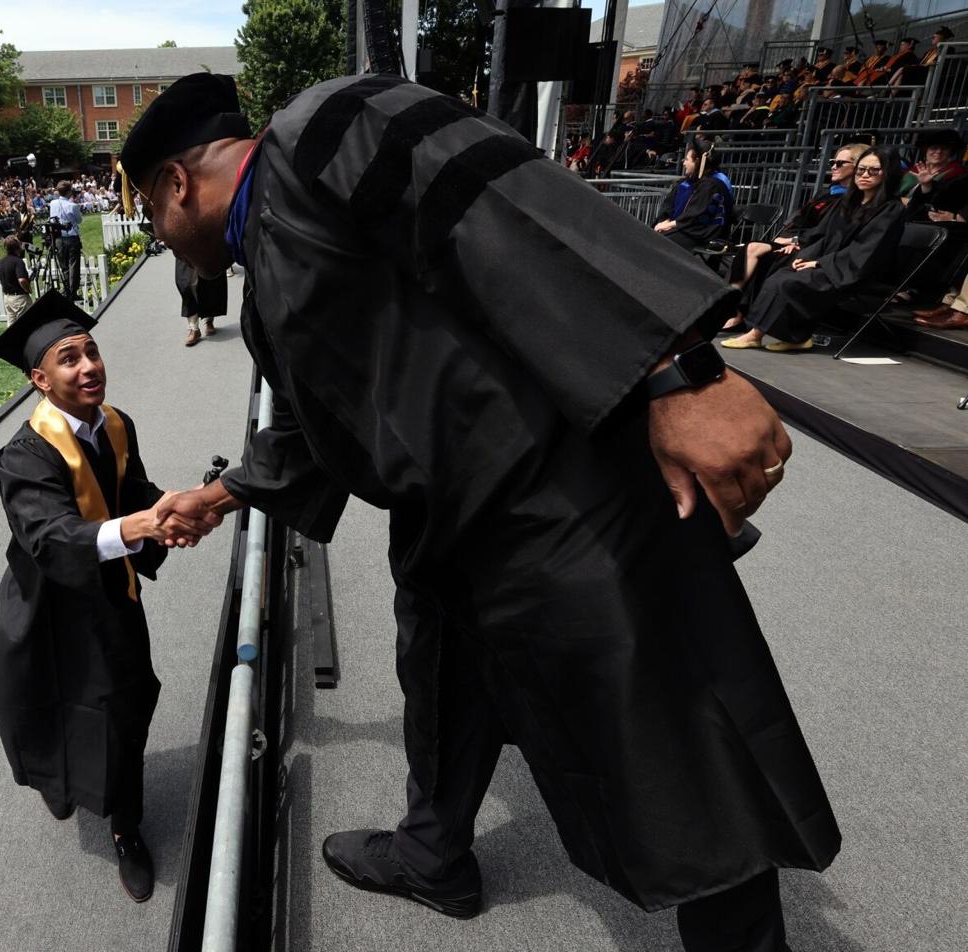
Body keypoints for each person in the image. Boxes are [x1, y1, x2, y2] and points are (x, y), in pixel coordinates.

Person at [126, 72, 832, 951]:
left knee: (676, 746)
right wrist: (222, 494)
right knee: (446, 681)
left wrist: (678, 369)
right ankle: (435, 855)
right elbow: (322, 426)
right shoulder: (267, 279)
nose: (160, 239)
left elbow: (516, 210)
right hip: (454, 524)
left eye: (151, 218)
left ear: (173, 183)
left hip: (564, 495)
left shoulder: (323, 131)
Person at [0, 291, 215, 904]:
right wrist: (137, 527)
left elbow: (132, 488)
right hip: (45, 606)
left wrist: (172, 514)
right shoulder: (22, 456)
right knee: (44, 703)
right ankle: (60, 787)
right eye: (69, 359)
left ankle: (124, 824)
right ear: (40, 378)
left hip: (108, 595)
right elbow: (50, 537)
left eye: (92, 351)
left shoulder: (116, 423)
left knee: (121, 703)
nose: (89, 366)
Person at [723, 146, 907, 352]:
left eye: (874, 170)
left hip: (854, 271)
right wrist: (805, 256)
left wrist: (819, 262)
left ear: (888, 173)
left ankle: (755, 335)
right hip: (832, 263)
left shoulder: (891, 208)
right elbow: (824, 235)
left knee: (786, 280)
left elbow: (867, 251)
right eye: (861, 169)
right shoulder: (850, 201)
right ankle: (795, 337)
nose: (865, 175)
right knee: (779, 266)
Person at [653, 139, 734, 249]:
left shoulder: (713, 185)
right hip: (683, 229)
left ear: (698, 161)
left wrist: (670, 225)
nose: (684, 162)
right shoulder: (685, 183)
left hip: (700, 233)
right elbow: (668, 205)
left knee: (657, 242)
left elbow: (695, 214)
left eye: (687, 159)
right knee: (649, 235)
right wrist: (665, 219)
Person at [174, 251, 227, 346]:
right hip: (183, 242)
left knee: (210, 277)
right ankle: (194, 327)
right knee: (187, 283)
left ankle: (209, 319)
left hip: (207, 241)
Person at [48, 183, 84, 300]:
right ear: (69, 192)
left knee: (63, 265)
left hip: (58, 238)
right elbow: (79, 220)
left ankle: (66, 288)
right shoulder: (72, 205)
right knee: (73, 264)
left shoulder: (52, 203)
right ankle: (72, 291)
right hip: (71, 237)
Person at [0, 235, 32, 324]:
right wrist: (28, 290)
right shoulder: (18, 261)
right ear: (18, 246)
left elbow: (1, 278)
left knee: (11, 325)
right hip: (19, 298)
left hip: (7, 298)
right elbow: (22, 280)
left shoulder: (2, 261)